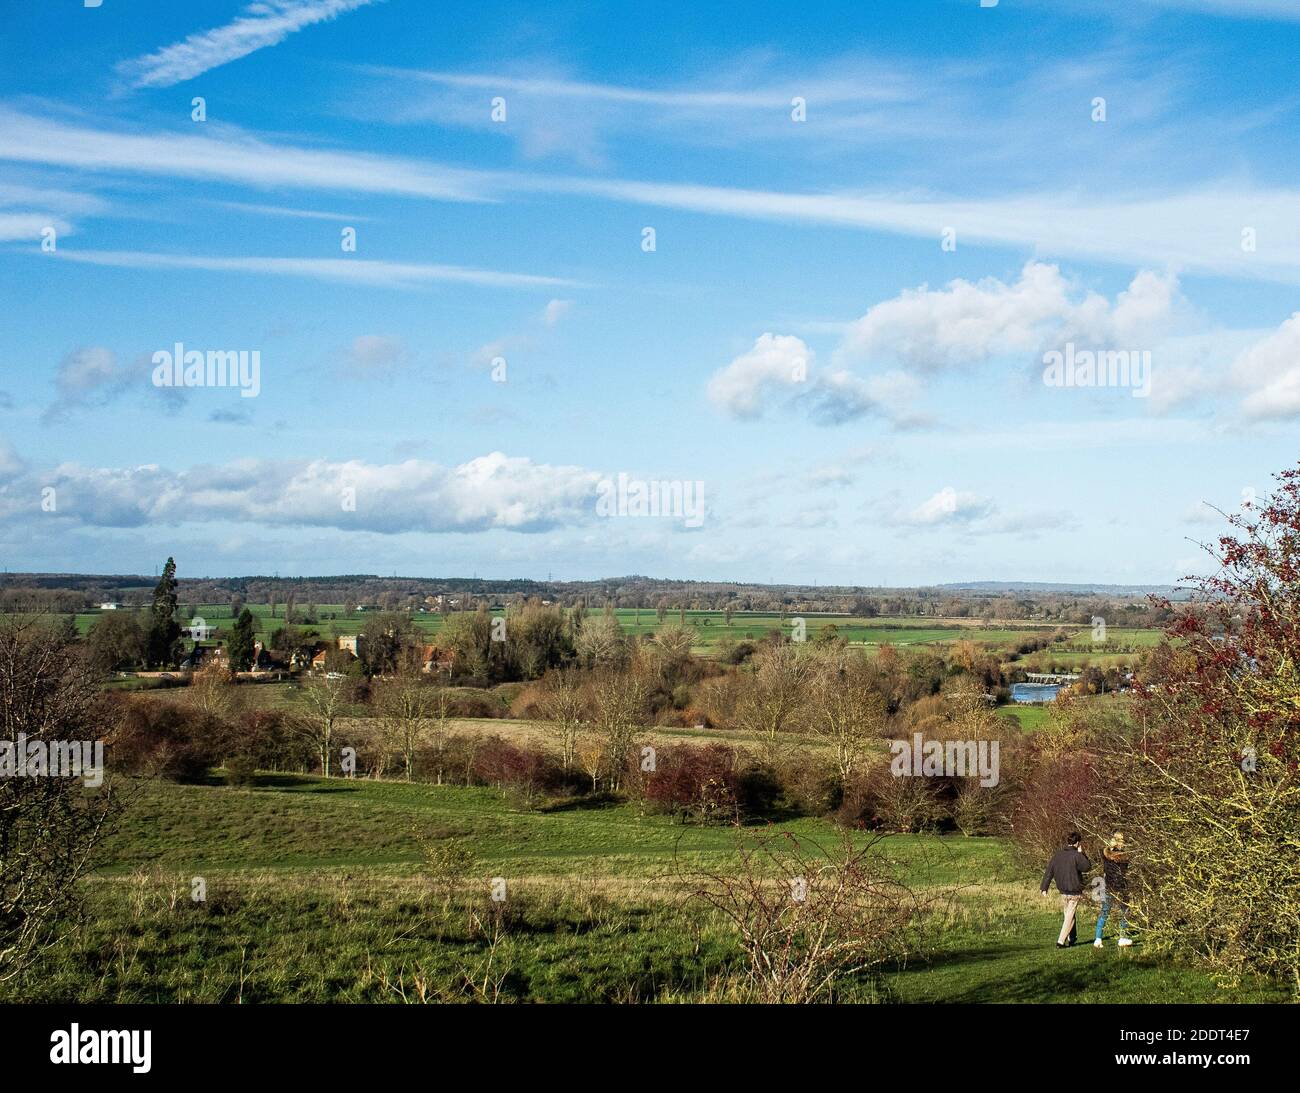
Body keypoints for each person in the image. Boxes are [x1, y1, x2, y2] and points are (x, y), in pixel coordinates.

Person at [1040, 831, 1093, 948]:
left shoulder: (1057, 855)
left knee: (1069, 915)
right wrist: (1082, 853)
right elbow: (1087, 867)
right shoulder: (1077, 855)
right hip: (1075, 891)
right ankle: (1060, 941)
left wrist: (1044, 888)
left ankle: (1072, 938)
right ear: (1078, 843)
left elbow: (1049, 872)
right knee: (1069, 916)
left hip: (1063, 891)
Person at [1094, 832, 1132, 948]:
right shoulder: (1124, 858)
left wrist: (1109, 847)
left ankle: (1098, 939)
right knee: (1124, 912)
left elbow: (1103, 851)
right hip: (1121, 887)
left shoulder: (1106, 856)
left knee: (1104, 912)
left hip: (1108, 887)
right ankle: (1122, 937)